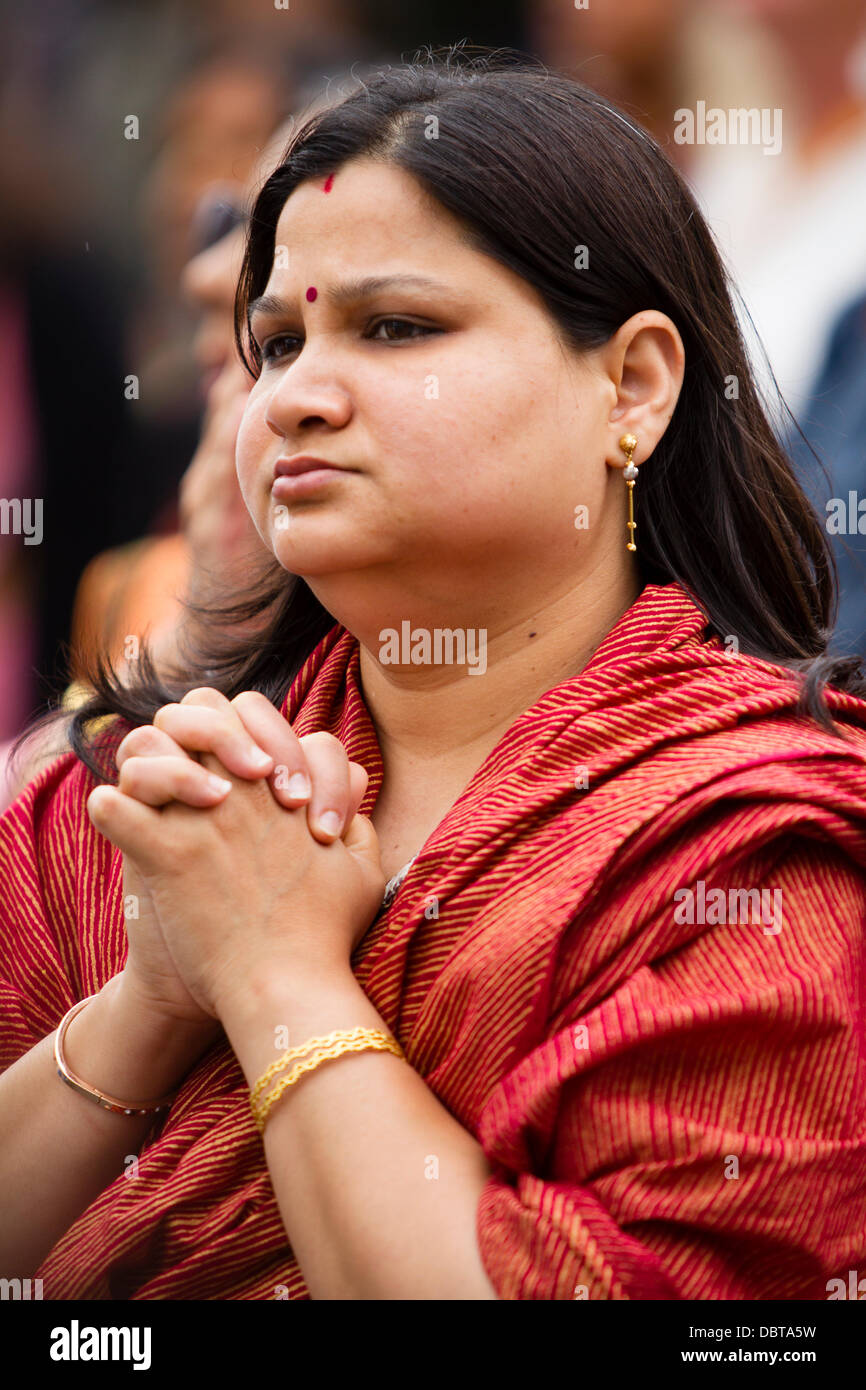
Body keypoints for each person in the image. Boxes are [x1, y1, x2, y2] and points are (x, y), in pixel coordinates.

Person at [1, 53, 865, 1301]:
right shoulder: (131, 802)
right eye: (277, 343)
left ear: (631, 386)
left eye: (395, 327)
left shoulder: (752, 848)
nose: (298, 396)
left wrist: (277, 973)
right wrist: (152, 998)